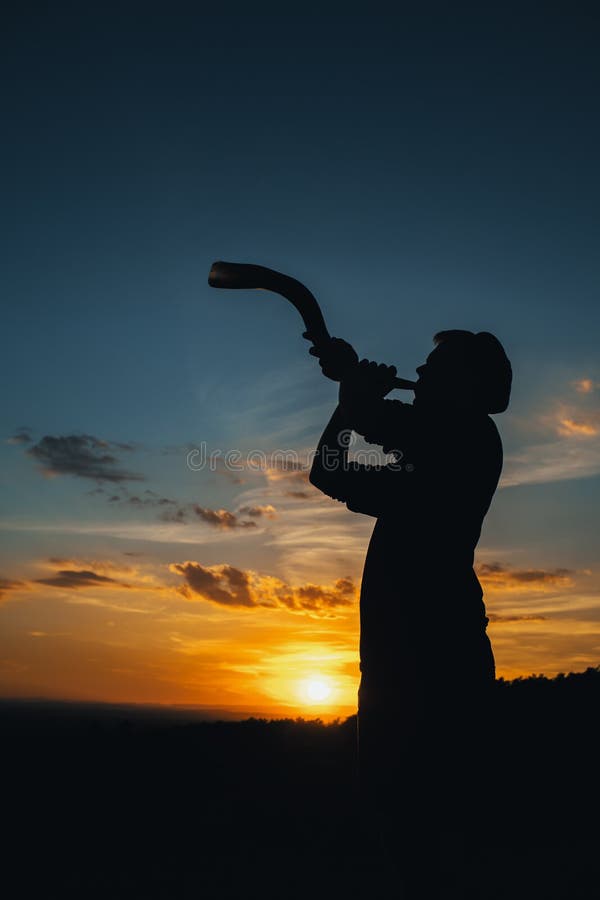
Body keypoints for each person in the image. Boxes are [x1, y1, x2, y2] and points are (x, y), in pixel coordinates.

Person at [306, 329, 512, 898]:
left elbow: (363, 431)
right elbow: (329, 470)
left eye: (433, 367)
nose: (418, 374)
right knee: (406, 827)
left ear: (465, 385)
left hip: (433, 663)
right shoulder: (432, 444)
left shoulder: (464, 436)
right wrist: (350, 392)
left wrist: (352, 391)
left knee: (425, 830)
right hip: (401, 662)